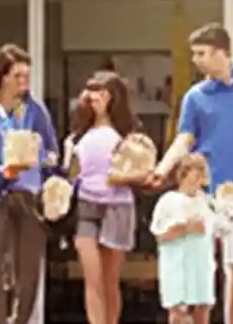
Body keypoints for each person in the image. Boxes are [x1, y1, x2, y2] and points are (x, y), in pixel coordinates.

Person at [148, 23, 233, 324]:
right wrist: (163, 168)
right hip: (201, 191)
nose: (196, 60)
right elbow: (185, 138)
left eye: (202, 53)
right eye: (194, 54)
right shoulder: (195, 96)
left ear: (222, 52)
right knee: (197, 262)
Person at [0, 43, 60, 324]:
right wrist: (2, 172)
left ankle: (21, 320)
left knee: (29, 271)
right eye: (17, 76)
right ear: (1, 77)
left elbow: (51, 152)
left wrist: (46, 165)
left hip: (28, 195)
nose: (23, 82)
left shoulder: (34, 110)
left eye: (26, 76)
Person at [67, 70, 144, 324]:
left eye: (101, 91)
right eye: (91, 91)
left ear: (113, 97)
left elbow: (140, 169)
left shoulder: (126, 133)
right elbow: (71, 173)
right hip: (86, 203)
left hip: (117, 205)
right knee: (92, 277)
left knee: (110, 280)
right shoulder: (78, 134)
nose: (94, 96)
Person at [150, 153, 217, 324]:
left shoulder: (207, 202)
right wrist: (185, 228)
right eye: (195, 174)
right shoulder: (168, 201)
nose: (198, 179)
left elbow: (219, 227)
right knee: (178, 311)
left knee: (202, 309)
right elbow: (160, 234)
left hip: (201, 265)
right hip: (177, 266)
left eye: (202, 174)